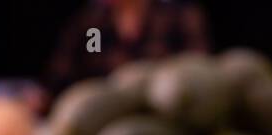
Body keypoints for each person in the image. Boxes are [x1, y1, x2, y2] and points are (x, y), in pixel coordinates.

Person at [47, 0, 210, 93]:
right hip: (104, 124)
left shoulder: (178, 15)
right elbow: (65, 74)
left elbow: (198, 74)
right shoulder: (93, 22)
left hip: (163, 121)